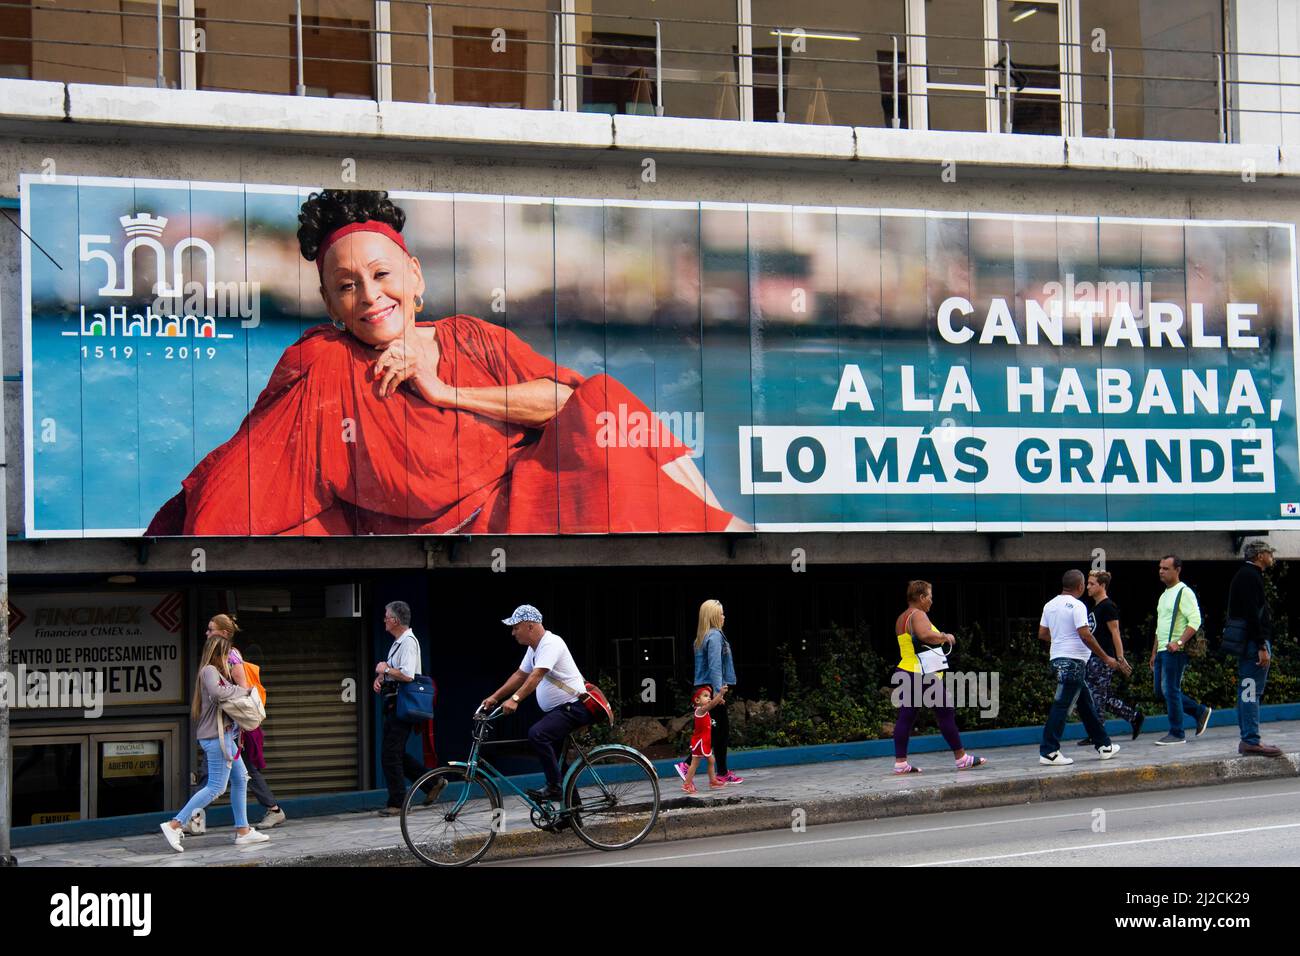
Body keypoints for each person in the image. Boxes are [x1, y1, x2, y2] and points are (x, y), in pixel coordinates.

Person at [146, 189, 744, 536]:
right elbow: (248, 474)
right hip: (476, 534)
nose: (371, 295)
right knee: (624, 471)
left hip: (537, 487)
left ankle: (727, 535)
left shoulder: (469, 338)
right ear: (329, 302)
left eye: (382, 275)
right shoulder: (323, 363)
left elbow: (567, 401)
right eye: (348, 285)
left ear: (415, 277)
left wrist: (443, 391)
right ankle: (727, 539)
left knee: (608, 401)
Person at [160, 627, 270, 852]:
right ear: (218, 653)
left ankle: (243, 831)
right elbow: (219, 694)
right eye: (226, 655)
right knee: (216, 787)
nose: (229, 661)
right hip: (215, 738)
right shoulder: (209, 671)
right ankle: (174, 824)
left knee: (241, 779)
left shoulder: (218, 674)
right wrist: (243, 692)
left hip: (225, 737)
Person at [481, 605, 594, 804]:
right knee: (560, 766)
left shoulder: (551, 643)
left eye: (516, 627)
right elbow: (520, 675)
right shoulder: (534, 649)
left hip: (574, 707)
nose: (513, 632)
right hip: (561, 710)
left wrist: (515, 700)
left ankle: (554, 788)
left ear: (530, 626)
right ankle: (571, 815)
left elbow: (536, 675)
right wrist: (494, 697)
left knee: (537, 734)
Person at [889, 580, 986, 774]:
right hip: (923, 675)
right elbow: (925, 635)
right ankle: (961, 758)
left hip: (906, 671)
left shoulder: (902, 617)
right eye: (930, 597)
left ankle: (900, 763)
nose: (931, 601)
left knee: (906, 718)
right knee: (945, 713)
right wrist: (945, 636)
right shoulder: (918, 614)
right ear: (922, 597)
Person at [1039, 569, 1127, 766]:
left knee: (1086, 705)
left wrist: (1061, 638)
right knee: (1061, 706)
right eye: (1084, 585)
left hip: (1058, 660)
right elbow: (1085, 634)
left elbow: (1043, 633)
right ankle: (1049, 751)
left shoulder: (1049, 605)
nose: (1085, 587)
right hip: (1074, 663)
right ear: (1079, 586)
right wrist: (1106, 657)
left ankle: (1104, 745)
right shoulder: (1078, 606)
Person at [375, 601, 437, 816]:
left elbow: (408, 674)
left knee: (390, 754)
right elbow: (395, 672)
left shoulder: (409, 642)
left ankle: (398, 802)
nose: (384, 620)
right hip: (395, 703)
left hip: (403, 705)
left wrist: (386, 668)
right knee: (396, 752)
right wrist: (381, 677)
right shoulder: (398, 642)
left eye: (386, 616)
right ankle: (433, 783)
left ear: (395, 620)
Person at [675, 600, 744, 785]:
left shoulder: (702, 636)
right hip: (711, 689)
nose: (724, 616)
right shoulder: (714, 636)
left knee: (714, 731)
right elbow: (715, 666)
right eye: (721, 613)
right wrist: (717, 694)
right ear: (713, 616)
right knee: (719, 731)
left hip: (703, 688)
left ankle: (719, 771)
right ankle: (696, 767)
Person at [1227, 541, 1284, 756]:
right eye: (1270, 553)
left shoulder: (1245, 575)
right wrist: (1261, 645)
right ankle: (1251, 740)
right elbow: (1252, 614)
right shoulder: (1251, 576)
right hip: (1254, 645)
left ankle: (1248, 738)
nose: (1272, 557)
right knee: (1251, 691)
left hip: (1249, 644)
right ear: (1260, 555)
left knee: (1246, 690)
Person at [1077, 571, 1144, 745]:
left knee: (1095, 697)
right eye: (1088, 584)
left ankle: (1097, 735)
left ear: (1102, 586)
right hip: (1093, 657)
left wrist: (1120, 659)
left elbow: (1115, 633)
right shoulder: (1096, 607)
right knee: (1103, 697)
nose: (1088, 587)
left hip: (1102, 658)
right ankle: (1135, 717)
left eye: (1092, 584)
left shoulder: (1108, 606)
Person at [1151, 555, 1212, 745]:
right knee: (1161, 692)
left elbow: (1195, 621)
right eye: (1160, 568)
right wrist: (1154, 652)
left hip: (1174, 651)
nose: (1161, 571)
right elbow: (1159, 626)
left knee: (1170, 689)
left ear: (1177, 570)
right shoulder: (1163, 595)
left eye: (1166, 568)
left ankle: (1177, 733)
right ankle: (1199, 711)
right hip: (1162, 650)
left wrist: (1179, 643)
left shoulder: (1184, 592)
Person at [227, 633, 286, 829]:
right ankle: (273, 809)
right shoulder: (223, 656)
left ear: (224, 633)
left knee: (216, 774)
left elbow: (244, 694)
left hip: (236, 728)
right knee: (241, 771)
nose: (207, 633)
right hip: (233, 728)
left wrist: (242, 727)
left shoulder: (231, 658)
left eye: (211, 629)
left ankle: (191, 818)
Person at [682, 687, 728, 794]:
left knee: (711, 760)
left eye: (709, 696)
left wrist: (718, 700)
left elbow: (712, 703)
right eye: (705, 696)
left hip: (704, 741)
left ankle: (712, 781)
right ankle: (687, 784)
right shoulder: (700, 710)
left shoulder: (703, 709)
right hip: (700, 742)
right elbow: (711, 705)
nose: (709, 698)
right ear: (697, 700)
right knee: (694, 763)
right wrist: (720, 694)